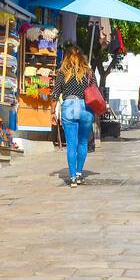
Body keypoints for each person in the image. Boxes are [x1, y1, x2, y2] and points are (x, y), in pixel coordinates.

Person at [52, 48, 95, 187]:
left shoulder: (62, 73)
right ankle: (79, 173)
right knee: (82, 143)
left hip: (69, 106)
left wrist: (53, 112)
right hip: (85, 108)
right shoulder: (89, 73)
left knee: (71, 145)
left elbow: (55, 94)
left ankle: (72, 178)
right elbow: (95, 91)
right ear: (83, 58)